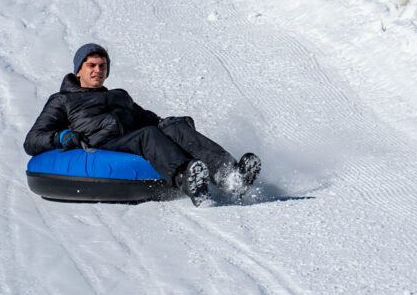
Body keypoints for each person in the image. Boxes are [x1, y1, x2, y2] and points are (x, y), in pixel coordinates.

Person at [23, 43, 261, 206]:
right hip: (103, 144)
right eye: (91, 66)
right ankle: (186, 179)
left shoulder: (119, 95)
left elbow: (148, 118)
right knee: (147, 134)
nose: (98, 71)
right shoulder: (63, 100)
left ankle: (229, 175)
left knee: (170, 127)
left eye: (102, 66)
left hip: (131, 138)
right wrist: (60, 137)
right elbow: (32, 140)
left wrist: (174, 124)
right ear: (79, 70)